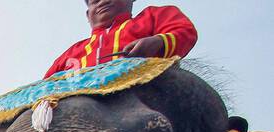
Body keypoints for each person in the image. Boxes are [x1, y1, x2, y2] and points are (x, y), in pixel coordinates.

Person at [46, 2, 197, 78]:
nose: (102, 2)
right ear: (87, 15)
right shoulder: (71, 52)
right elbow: (45, 85)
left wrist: (158, 42)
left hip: (144, 91)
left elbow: (185, 32)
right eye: (95, 0)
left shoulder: (153, 16)